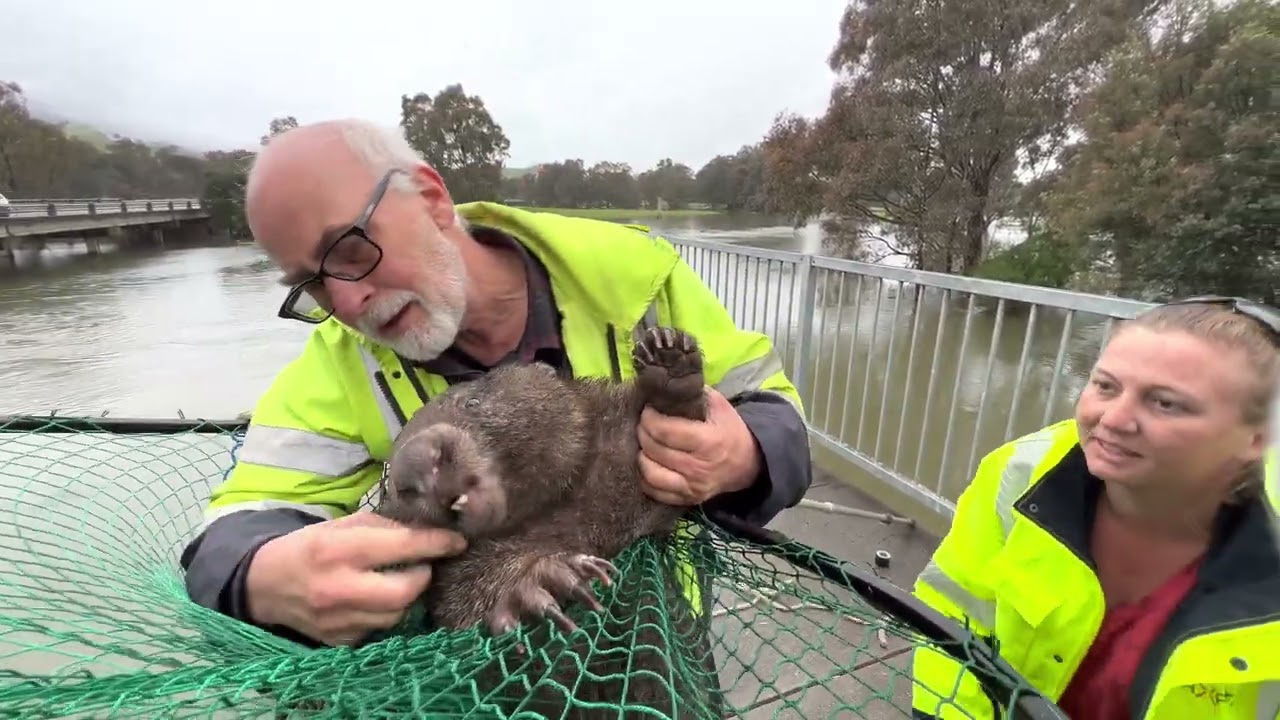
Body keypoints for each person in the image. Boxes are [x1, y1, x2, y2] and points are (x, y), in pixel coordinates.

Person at [178, 118, 813, 649]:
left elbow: (771, 405)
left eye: (350, 247)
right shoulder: (340, 362)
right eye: (313, 282)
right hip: (476, 675)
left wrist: (746, 452)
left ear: (430, 197)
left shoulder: (632, 275)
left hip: (665, 633)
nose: (348, 299)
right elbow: (242, 515)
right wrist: (257, 574)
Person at [909, 296, 1280, 720]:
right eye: (1106, 386)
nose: (1114, 419)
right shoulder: (1021, 472)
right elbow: (955, 613)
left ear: (1256, 439)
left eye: (1165, 403)